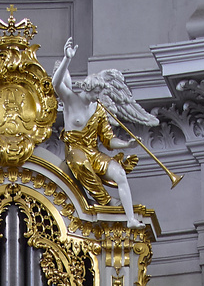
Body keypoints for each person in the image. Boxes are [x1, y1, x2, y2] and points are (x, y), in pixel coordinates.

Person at [51, 38, 156, 226]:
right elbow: (56, 84)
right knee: (81, 163)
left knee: (121, 175)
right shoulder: (71, 101)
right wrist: (67, 59)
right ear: (87, 89)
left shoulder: (98, 110)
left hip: (93, 152)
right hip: (75, 150)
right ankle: (106, 202)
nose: (97, 98)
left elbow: (108, 140)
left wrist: (127, 144)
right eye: (95, 93)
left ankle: (130, 219)